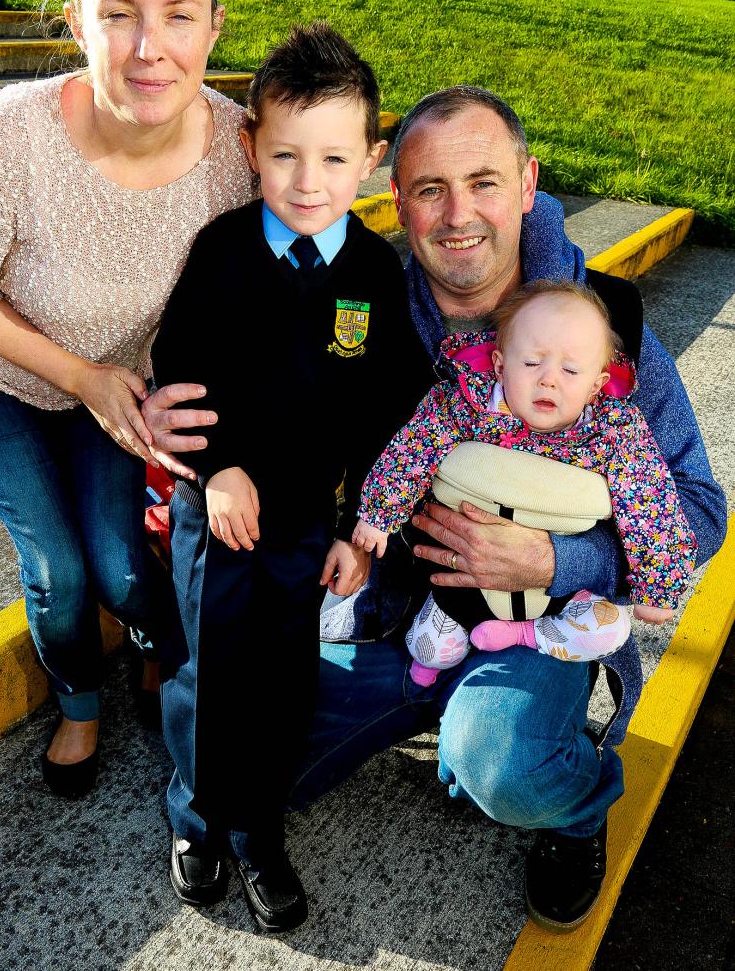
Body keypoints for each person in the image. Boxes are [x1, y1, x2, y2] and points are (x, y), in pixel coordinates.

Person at [143, 89, 725, 931]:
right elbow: (255, 394)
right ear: (397, 197)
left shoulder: (602, 327)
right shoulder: (359, 302)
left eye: (483, 182)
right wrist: (189, 431)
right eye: (429, 190)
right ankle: (435, 709)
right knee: (248, 763)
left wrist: (559, 560)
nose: (457, 216)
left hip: (533, 627)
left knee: (501, 763)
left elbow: (699, 508)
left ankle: (573, 806)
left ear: (526, 184)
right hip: (391, 620)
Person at [0, 0, 256, 798]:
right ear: (76, 24)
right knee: (59, 569)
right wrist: (85, 380)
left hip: (114, 378)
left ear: (213, 28)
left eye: (177, 14)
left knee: (122, 566)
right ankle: (78, 704)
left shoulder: (238, 152)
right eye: (118, 13)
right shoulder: (6, 136)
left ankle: (160, 647)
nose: (149, 47)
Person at [150, 23, 431, 932]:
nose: (308, 182)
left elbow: (389, 413)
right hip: (216, 510)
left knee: (283, 676)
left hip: (309, 520)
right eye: (284, 155)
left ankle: (258, 831)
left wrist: (360, 527)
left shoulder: (373, 274)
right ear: (250, 146)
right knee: (209, 668)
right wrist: (216, 468)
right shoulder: (223, 250)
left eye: (334, 158)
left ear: (371, 161)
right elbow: (178, 369)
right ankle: (197, 818)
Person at [352, 279, 696, 686]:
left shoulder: (615, 433)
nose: (548, 380)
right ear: (500, 365)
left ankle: (524, 635)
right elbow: (414, 446)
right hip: (462, 579)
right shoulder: (467, 403)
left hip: (561, 597)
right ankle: (429, 665)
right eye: (532, 363)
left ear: (596, 385)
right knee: (431, 647)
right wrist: (379, 513)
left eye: (571, 370)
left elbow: (651, 503)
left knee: (607, 631)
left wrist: (658, 583)